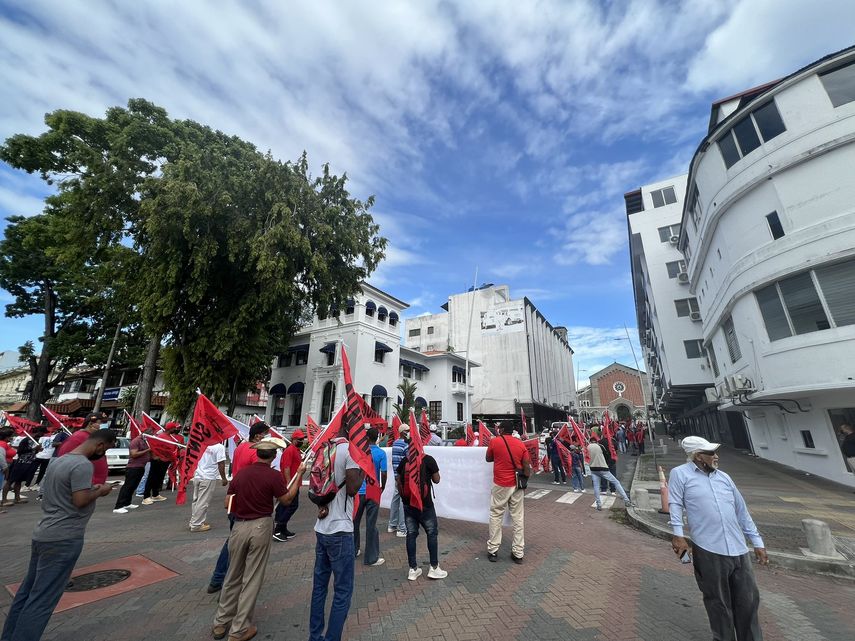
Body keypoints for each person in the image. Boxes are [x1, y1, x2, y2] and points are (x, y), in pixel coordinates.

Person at [1, 430, 116, 641]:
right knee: (43, 599)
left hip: (44, 532)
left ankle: (9, 636)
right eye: (106, 449)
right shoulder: (82, 465)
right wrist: (101, 491)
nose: (103, 454)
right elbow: (80, 500)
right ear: (100, 445)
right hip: (64, 537)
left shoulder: (58, 461)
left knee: (27, 592)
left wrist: (90, 488)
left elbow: (55, 491)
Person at [669, 436, 767, 641]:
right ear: (698, 456)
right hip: (708, 548)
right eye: (711, 453)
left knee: (749, 601)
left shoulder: (724, 477)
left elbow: (741, 511)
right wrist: (678, 535)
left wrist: (757, 542)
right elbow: (675, 504)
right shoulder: (680, 474)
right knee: (718, 602)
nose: (716, 456)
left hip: (739, 548)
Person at [309, 425, 364, 641]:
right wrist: (363, 467)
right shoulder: (350, 451)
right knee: (342, 591)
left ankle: (315, 636)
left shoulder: (325, 448)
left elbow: (318, 485)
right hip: (340, 529)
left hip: (322, 527)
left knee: (319, 587)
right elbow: (352, 489)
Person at [207, 422, 270, 593]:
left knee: (234, 540)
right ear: (258, 436)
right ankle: (224, 580)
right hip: (247, 501)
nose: (267, 438)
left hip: (234, 497)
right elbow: (259, 475)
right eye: (265, 434)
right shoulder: (254, 451)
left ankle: (220, 578)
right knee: (236, 542)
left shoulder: (241, 447)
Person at [397, 445, 446, 580]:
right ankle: (434, 568)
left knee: (411, 534)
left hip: (408, 505)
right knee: (431, 534)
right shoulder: (428, 460)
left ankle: (413, 569)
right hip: (425, 505)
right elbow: (437, 480)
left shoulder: (405, 461)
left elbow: (398, 480)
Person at [485, 422, 531, 563]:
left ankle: (493, 550)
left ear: (502, 429)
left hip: (500, 483)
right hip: (517, 485)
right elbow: (526, 465)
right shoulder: (520, 444)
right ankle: (518, 553)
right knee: (518, 518)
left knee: (496, 515)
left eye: (499, 428)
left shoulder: (495, 441)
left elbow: (488, 458)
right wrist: (524, 479)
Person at [354, 427, 387, 566]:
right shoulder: (381, 453)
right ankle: (371, 557)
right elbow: (384, 472)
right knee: (371, 524)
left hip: (359, 491)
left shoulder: (360, 452)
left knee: (355, 522)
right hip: (373, 491)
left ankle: (354, 550)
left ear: (366, 438)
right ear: (377, 437)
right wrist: (382, 486)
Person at [58, 412, 108, 485]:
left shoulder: (87, 437)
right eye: (102, 423)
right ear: (91, 424)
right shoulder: (83, 438)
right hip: (83, 484)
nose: (105, 425)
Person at [273, 428, 304, 542]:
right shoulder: (290, 450)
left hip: (295, 482)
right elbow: (286, 467)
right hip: (290, 483)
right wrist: (289, 483)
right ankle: (278, 529)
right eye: (299, 439)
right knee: (291, 506)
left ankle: (283, 528)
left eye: (302, 439)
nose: (301, 441)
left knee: (287, 506)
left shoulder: (296, 450)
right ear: (293, 439)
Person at [189, 439, 227, 532]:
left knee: (196, 501)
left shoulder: (201, 442)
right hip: (208, 477)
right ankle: (196, 524)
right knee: (203, 502)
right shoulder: (219, 447)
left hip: (198, 475)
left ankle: (194, 521)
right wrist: (224, 478)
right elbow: (221, 464)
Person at [587, 435, 633, 511]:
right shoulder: (600, 446)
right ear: (596, 441)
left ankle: (598, 504)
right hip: (603, 468)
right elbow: (607, 455)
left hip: (593, 469)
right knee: (616, 482)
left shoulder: (587, 447)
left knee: (596, 486)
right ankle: (626, 500)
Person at [142, 420, 182, 504]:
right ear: (170, 429)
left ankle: (155, 494)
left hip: (165, 460)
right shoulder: (161, 436)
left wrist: (176, 445)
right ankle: (146, 497)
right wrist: (155, 457)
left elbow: (170, 449)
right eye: (174, 428)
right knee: (152, 478)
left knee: (159, 478)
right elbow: (154, 447)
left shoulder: (171, 437)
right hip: (158, 460)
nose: (175, 429)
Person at [2, 428, 43, 506]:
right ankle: (4, 499)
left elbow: (33, 452)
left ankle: (17, 498)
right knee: (10, 481)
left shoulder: (35, 440)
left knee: (19, 481)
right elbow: (20, 451)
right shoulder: (25, 440)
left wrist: (37, 450)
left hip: (28, 463)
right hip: (20, 463)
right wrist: (34, 449)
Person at [112, 431, 150, 514]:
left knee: (133, 486)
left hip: (140, 467)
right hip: (133, 467)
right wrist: (147, 450)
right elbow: (134, 454)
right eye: (150, 432)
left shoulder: (144, 441)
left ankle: (127, 503)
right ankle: (118, 506)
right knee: (127, 487)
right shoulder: (136, 441)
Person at [386, 422, 409, 538]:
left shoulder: (395, 443)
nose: (409, 432)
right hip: (403, 476)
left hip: (396, 475)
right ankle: (402, 528)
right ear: (403, 432)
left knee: (395, 499)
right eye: (407, 431)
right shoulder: (405, 445)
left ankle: (392, 524)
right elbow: (410, 458)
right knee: (403, 501)